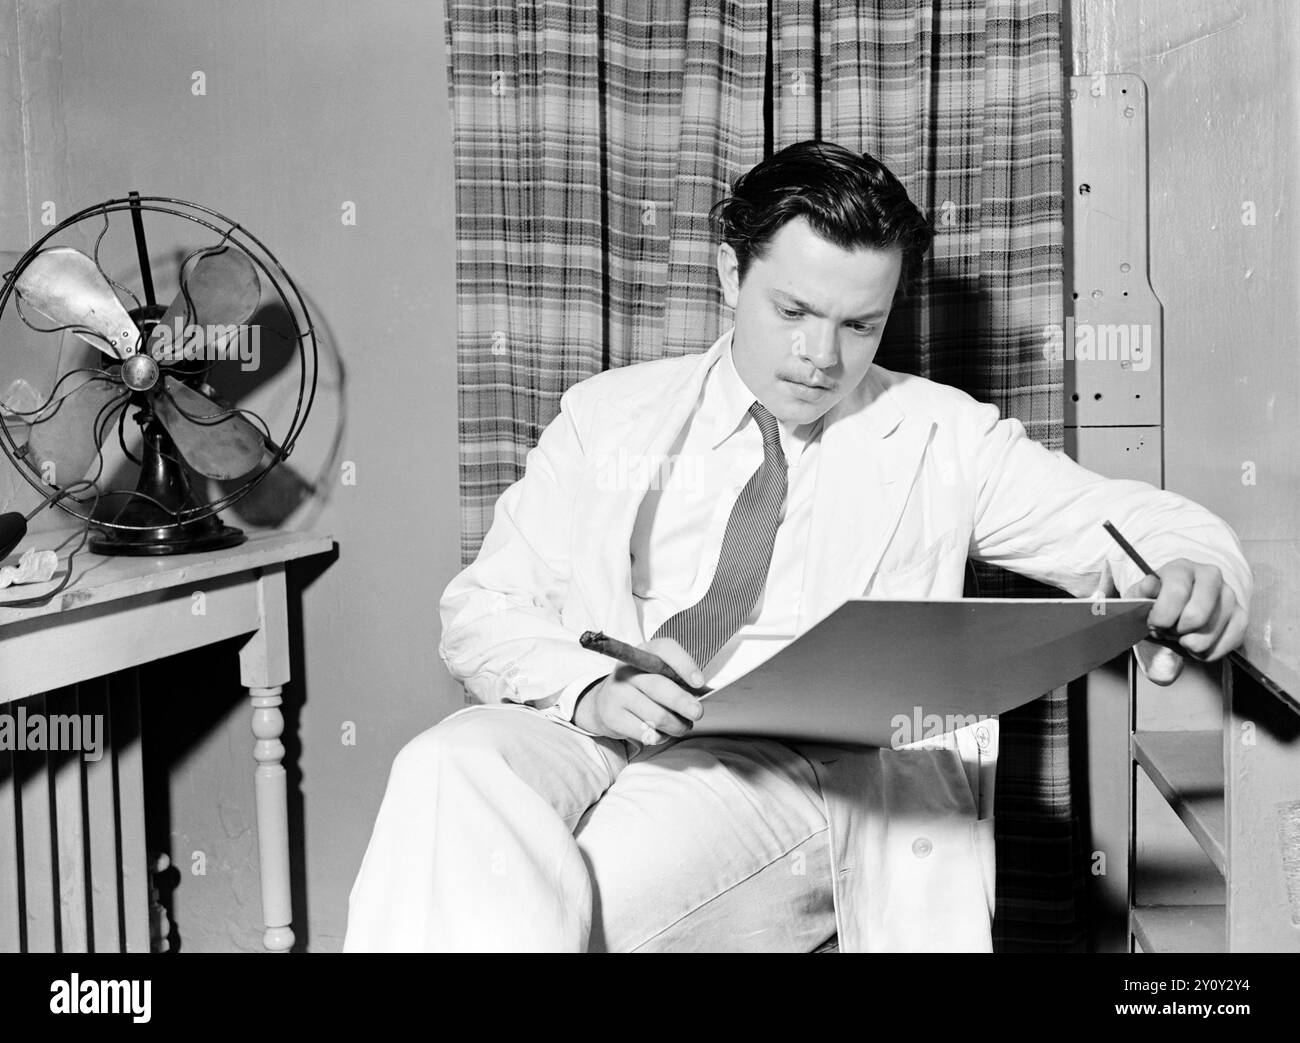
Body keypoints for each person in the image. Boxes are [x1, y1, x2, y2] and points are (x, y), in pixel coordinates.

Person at [344, 141, 1252, 952]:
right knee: (446, 764)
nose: (822, 355)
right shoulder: (606, 415)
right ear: (729, 278)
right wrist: (591, 689)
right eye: (794, 310)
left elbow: (1153, 531)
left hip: (787, 767)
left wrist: (1197, 575)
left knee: (565, 894)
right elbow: (481, 610)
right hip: (593, 720)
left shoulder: (943, 436)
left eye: (861, 325)